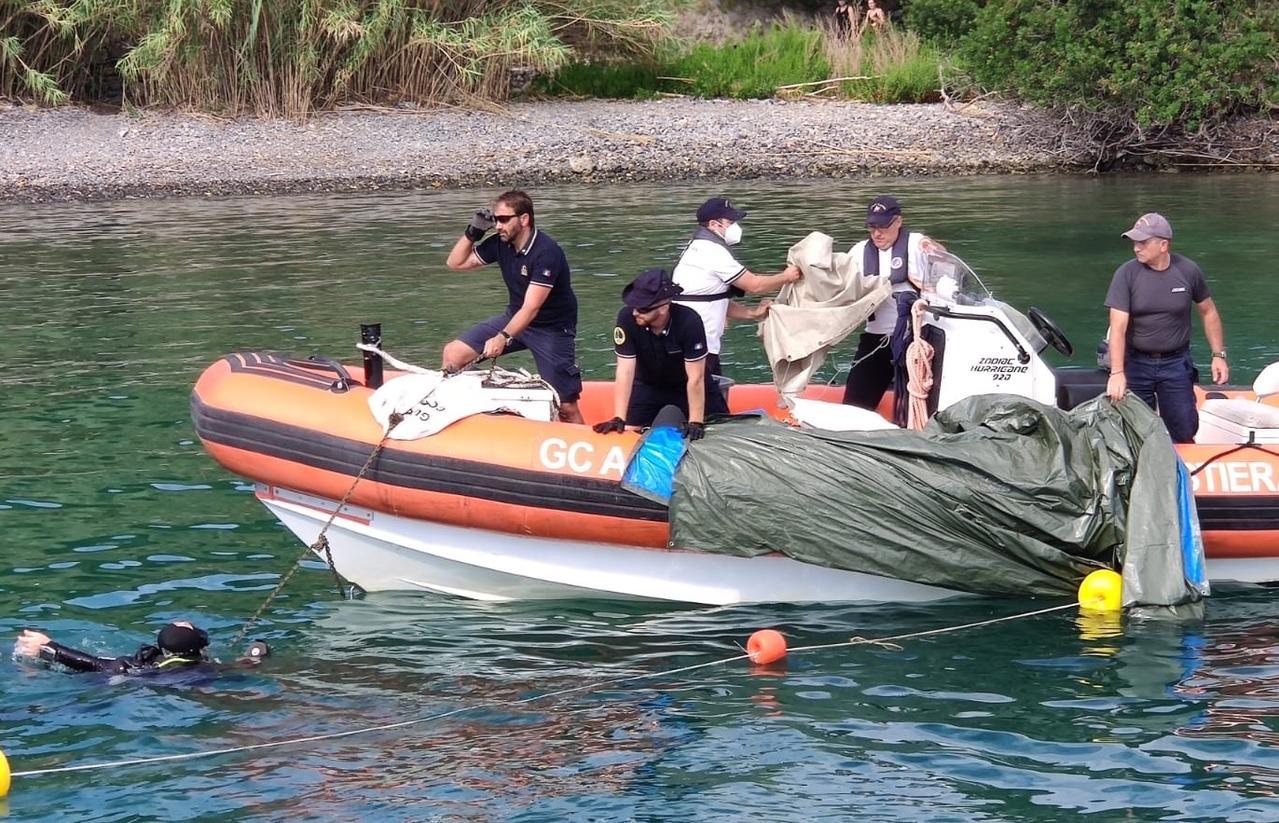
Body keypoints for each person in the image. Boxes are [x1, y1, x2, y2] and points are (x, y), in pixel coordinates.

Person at [444, 190, 584, 424]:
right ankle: (462, 423)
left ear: (524, 219)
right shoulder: (501, 243)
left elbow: (531, 307)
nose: (498, 226)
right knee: (453, 354)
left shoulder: (546, 252)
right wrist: (473, 232)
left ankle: (584, 447)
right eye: (495, 219)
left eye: (503, 219)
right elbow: (455, 263)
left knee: (566, 405)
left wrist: (502, 337)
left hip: (551, 329)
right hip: (514, 318)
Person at [1104, 212, 1228, 443]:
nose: (1136, 248)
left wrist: (1218, 355)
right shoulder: (1126, 274)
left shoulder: (1188, 271)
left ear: (1163, 245)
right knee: (1135, 431)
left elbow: (1208, 311)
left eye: (1142, 242)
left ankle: (1184, 472)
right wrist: (1117, 373)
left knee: (1183, 428)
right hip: (1136, 363)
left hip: (1176, 364)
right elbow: (1117, 328)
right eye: (1134, 242)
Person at [670, 196, 802, 378]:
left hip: (696, 342)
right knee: (708, 398)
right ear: (714, 224)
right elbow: (754, 285)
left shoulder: (698, 247)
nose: (735, 227)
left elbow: (711, 298)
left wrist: (752, 313)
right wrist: (787, 277)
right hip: (698, 345)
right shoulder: (711, 251)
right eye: (730, 222)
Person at [592, 269, 729, 441]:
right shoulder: (627, 318)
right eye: (634, 307)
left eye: (643, 309)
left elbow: (696, 378)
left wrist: (696, 421)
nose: (636, 313)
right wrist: (619, 416)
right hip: (648, 384)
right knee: (627, 430)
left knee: (718, 430)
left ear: (664, 307)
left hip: (685, 383)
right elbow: (625, 370)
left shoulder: (689, 321)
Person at [841, 194, 944, 412]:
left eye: (883, 227)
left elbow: (945, 265)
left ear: (898, 221)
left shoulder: (916, 243)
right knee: (854, 406)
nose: (877, 233)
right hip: (876, 339)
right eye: (872, 227)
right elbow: (838, 287)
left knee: (920, 407)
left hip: (916, 341)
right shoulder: (859, 252)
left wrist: (935, 250)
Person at [15, 621, 215, 675]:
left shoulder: (153, 659)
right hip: (108, 686)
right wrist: (50, 648)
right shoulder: (201, 670)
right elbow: (97, 665)